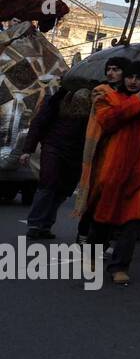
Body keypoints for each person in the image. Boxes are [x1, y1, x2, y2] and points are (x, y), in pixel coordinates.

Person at [76, 60, 140, 286]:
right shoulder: (106, 97)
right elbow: (107, 121)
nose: (133, 81)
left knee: (134, 220)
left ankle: (120, 266)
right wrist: (137, 102)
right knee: (104, 216)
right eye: (130, 76)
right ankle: (91, 254)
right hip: (112, 169)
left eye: (139, 78)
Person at [20, 76, 88, 240]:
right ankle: (36, 224)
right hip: (54, 147)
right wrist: (27, 150)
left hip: (77, 152)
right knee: (48, 184)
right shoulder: (57, 99)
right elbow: (39, 124)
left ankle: (45, 225)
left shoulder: (94, 101)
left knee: (64, 189)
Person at [75, 55, 127, 244]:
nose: (111, 73)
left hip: (119, 149)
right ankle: (83, 233)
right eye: (109, 69)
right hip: (99, 146)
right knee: (94, 193)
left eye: (116, 69)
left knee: (111, 197)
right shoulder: (101, 92)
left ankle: (103, 239)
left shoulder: (129, 94)